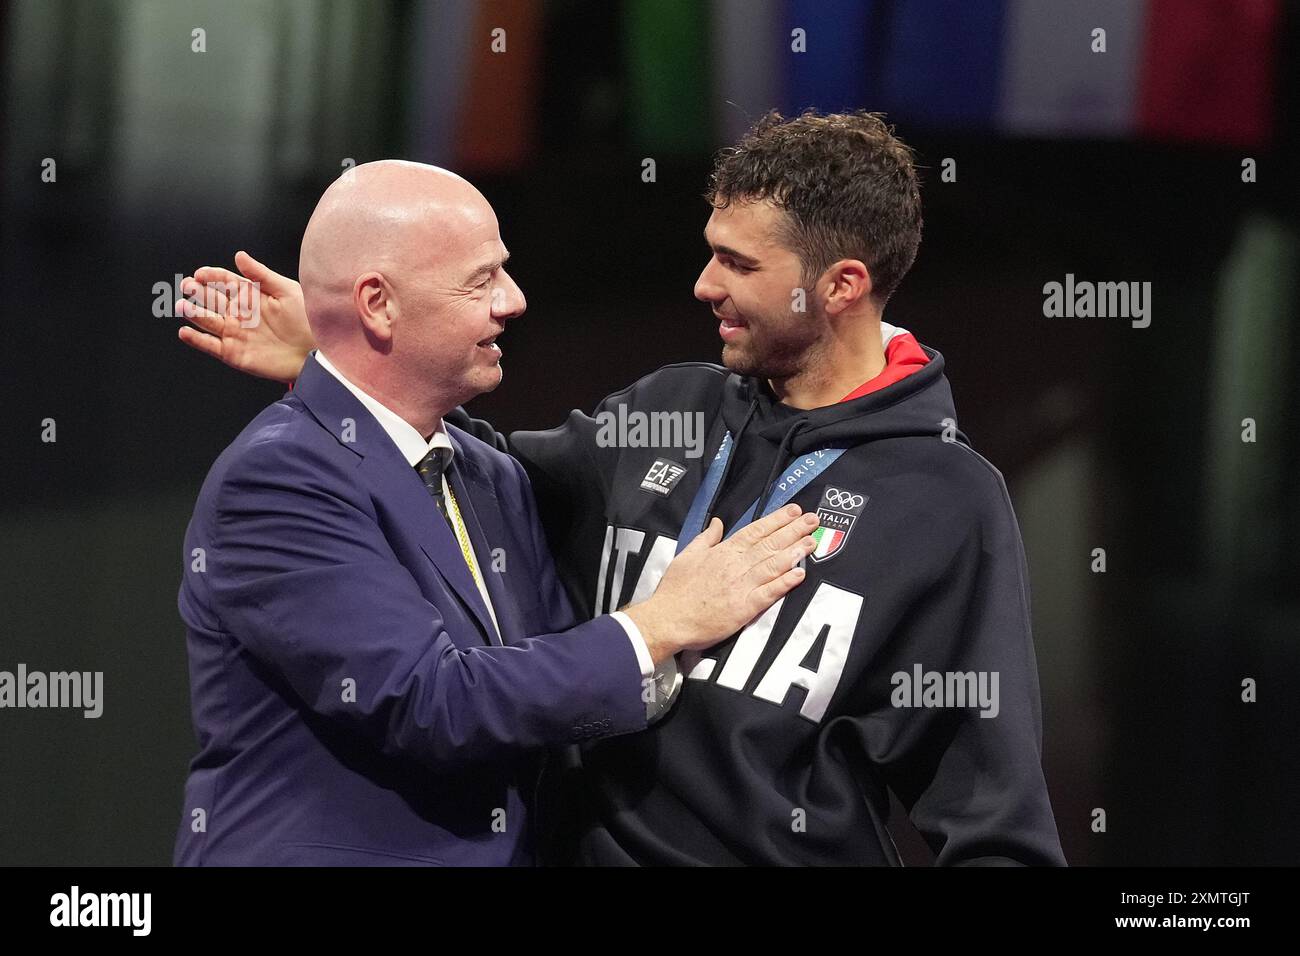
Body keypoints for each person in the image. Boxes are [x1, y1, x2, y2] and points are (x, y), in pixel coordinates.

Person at [179, 111, 1066, 866]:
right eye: (710, 251)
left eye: (739, 265)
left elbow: (995, 825)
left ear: (839, 287)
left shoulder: (947, 503)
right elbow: (453, 485)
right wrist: (337, 359)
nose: (703, 284)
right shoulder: (666, 410)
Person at [173, 159, 817, 866]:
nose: (512, 300)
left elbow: (543, 701)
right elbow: (433, 702)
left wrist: (323, 350)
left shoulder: (485, 476)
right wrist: (663, 623)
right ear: (379, 306)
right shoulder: (278, 480)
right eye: (481, 280)